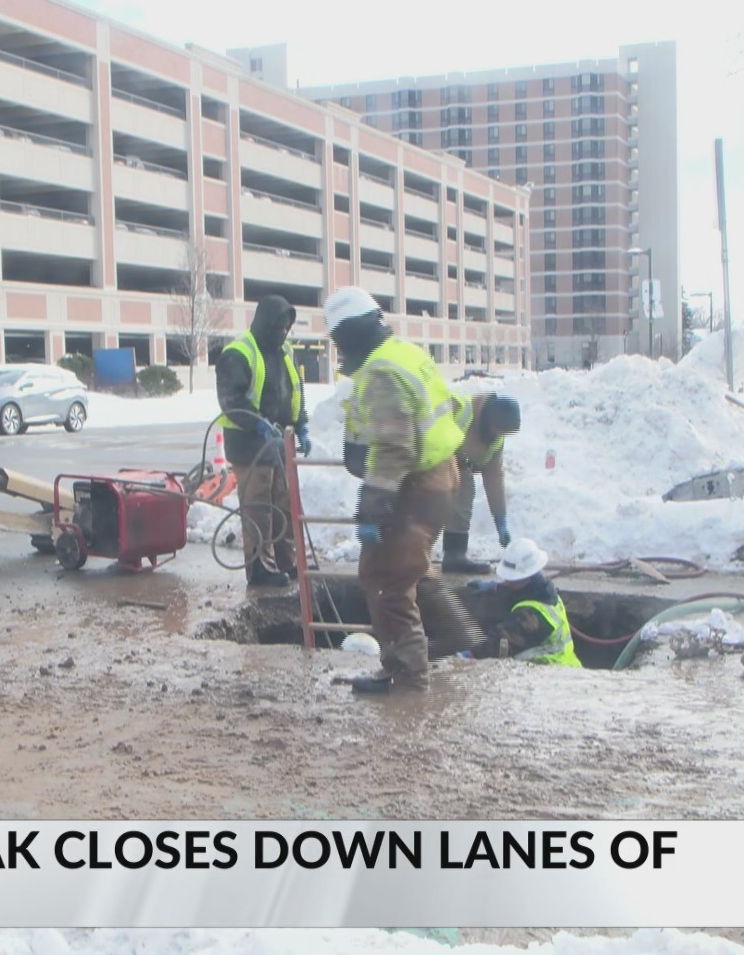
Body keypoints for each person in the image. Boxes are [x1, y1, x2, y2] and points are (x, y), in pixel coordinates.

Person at [325, 286, 468, 694]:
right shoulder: (405, 353)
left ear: (348, 334)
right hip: (439, 476)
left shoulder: (382, 371)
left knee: (385, 579)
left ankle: (408, 674)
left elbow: (392, 447)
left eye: (338, 340)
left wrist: (372, 508)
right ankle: (443, 642)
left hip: (414, 485)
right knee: (408, 573)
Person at [215, 295, 308, 588]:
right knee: (258, 507)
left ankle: (285, 561)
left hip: (279, 443)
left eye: (286, 327)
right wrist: (259, 424)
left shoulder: (284, 352)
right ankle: (260, 569)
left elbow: (295, 391)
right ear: (264, 323)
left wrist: (301, 425)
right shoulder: (239, 353)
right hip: (249, 445)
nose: (282, 333)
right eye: (277, 326)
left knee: (283, 503)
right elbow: (232, 400)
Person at [438, 393, 522, 575]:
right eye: (497, 429)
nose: (498, 435)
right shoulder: (460, 411)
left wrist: (500, 519)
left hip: (456, 467)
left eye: (503, 433)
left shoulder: (494, 440)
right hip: (428, 459)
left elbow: (494, 478)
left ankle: (454, 555)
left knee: (465, 485)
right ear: (488, 419)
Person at [468, 538, 581, 667]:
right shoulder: (542, 589)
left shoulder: (534, 616)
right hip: (564, 666)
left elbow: (498, 645)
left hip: (555, 673)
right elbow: (516, 590)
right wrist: (496, 587)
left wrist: (467, 656)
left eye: (512, 578)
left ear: (526, 576)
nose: (507, 581)